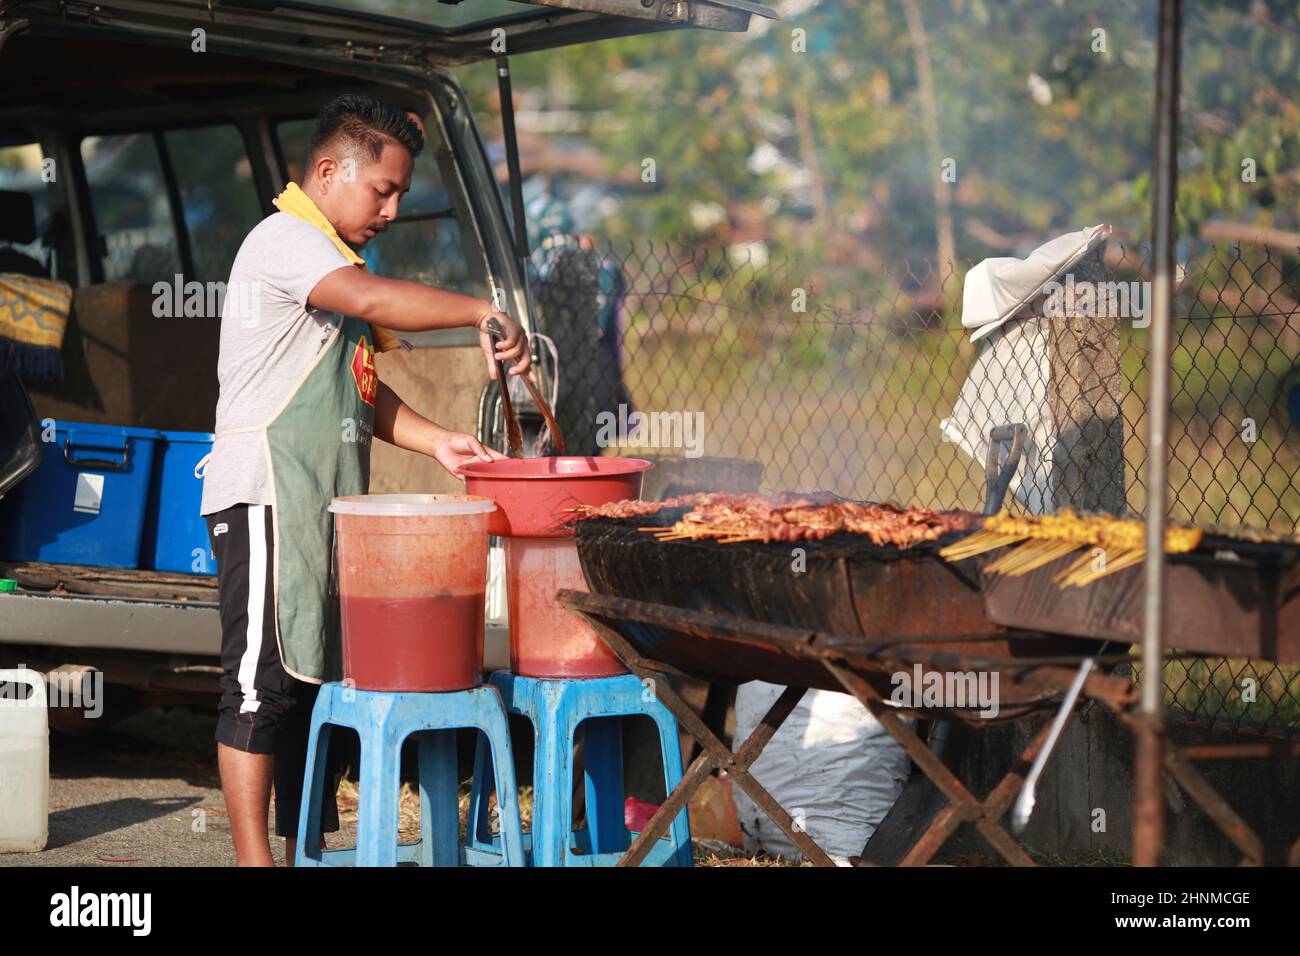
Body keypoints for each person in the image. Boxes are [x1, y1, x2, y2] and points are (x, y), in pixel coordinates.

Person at [198, 93, 532, 866]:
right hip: (266, 496)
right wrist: (483, 309)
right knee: (260, 688)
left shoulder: (336, 262)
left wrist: (439, 441)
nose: (391, 209)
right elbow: (380, 300)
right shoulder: (285, 242)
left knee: (311, 681)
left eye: (401, 196)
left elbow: (363, 390)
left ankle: (302, 848)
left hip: (323, 503)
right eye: (382, 190)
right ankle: (255, 861)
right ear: (327, 170)